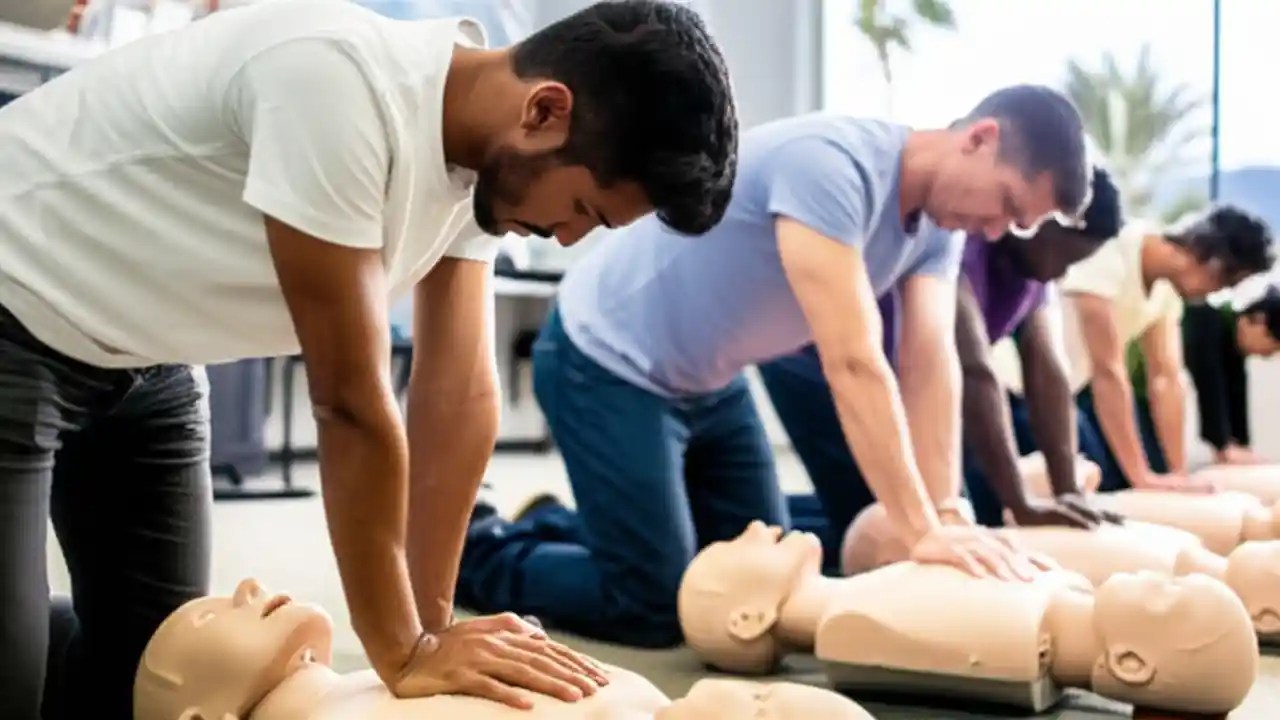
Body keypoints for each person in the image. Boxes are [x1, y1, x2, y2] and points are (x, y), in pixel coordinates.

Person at [0, 0, 739, 717]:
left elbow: (458, 397)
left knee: (154, 680)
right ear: (544, 111)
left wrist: (435, 627)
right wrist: (402, 649)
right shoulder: (337, 82)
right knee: (11, 680)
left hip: (148, 358)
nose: (571, 239)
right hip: (15, 302)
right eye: (586, 210)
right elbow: (349, 400)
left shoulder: (483, 158)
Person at [458, 84, 1092, 647]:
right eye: (1008, 205)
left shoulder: (941, 229)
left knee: (763, 578)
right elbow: (853, 358)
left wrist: (948, 511)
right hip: (605, 361)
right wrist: (920, 529)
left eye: (1018, 224)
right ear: (980, 140)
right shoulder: (834, 163)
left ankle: (571, 523)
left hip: (713, 383)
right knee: (653, 606)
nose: (996, 231)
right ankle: (474, 545)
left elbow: (931, 363)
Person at [777, 166, 1127, 559]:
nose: (1062, 271)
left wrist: (1067, 492)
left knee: (941, 516)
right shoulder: (964, 241)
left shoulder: (1035, 275)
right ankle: (765, 538)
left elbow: (1049, 374)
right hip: (819, 365)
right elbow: (975, 368)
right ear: (1041, 222)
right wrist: (1021, 502)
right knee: (882, 521)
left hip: (900, 379)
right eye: (1065, 255)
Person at [990, 206, 1275, 494]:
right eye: (1226, 282)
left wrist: (1178, 474)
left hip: (1057, 394)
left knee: (1095, 483)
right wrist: (1142, 476)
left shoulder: (1167, 292)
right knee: (1083, 486)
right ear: (1211, 260)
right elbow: (1108, 371)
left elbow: (1166, 378)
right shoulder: (1111, 247)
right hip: (1010, 386)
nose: (1217, 294)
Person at [1181, 286, 1280, 465]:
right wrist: (1223, 446)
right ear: (1259, 321)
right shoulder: (1208, 318)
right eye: (1272, 347)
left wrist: (1241, 444)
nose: (1267, 355)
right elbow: (1209, 382)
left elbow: (1236, 388)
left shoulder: (1232, 336)